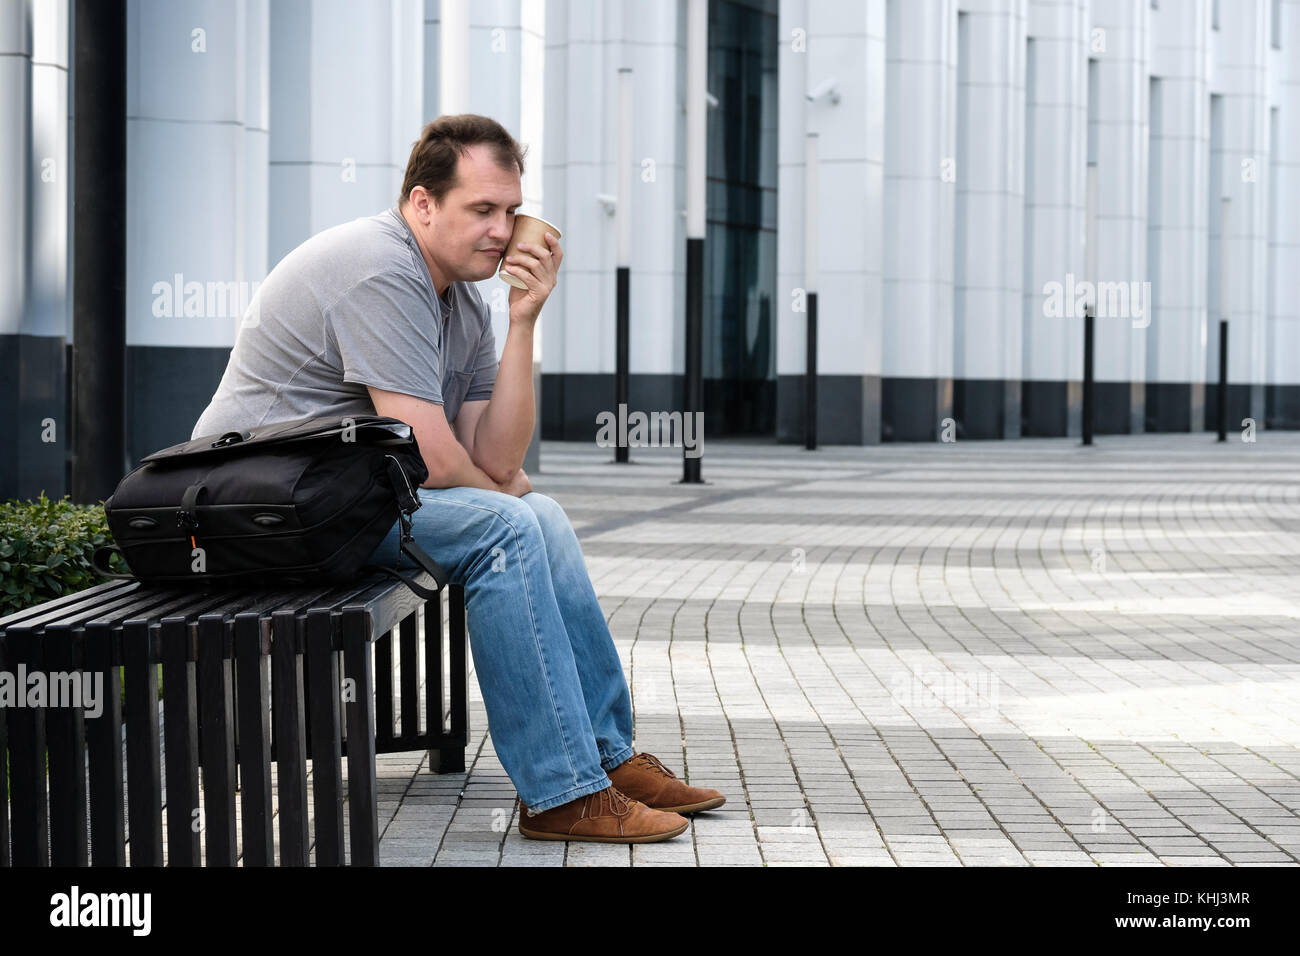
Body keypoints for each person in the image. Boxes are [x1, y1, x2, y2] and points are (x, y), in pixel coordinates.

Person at [191, 114, 724, 843]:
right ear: (422, 204)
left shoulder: (464, 301)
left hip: (337, 500)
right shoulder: (380, 269)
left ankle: (604, 756)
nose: (502, 231)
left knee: (543, 516)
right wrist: (502, 493)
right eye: (481, 210)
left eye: (510, 211)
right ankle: (561, 790)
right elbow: (439, 462)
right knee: (507, 526)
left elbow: (496, 460)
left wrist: (525, 319)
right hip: (264, 510)